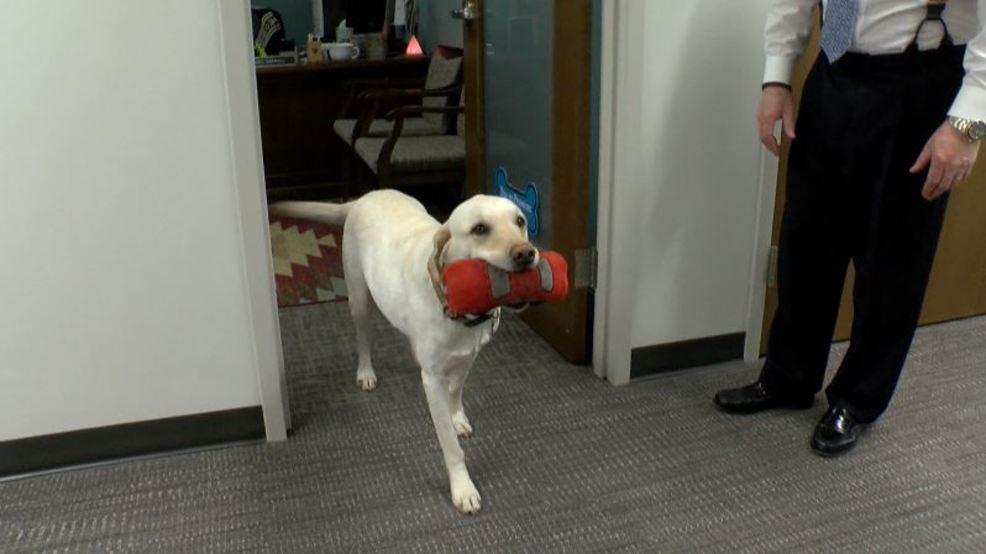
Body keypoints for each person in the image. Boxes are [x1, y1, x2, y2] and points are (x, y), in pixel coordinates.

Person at [715, 0, 986, 456]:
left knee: (893, 259)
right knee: (806, 241)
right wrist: (777, 77)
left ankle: (857, 400)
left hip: (918, 84)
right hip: (835, 72)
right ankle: (789, 377)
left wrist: (967, 125)